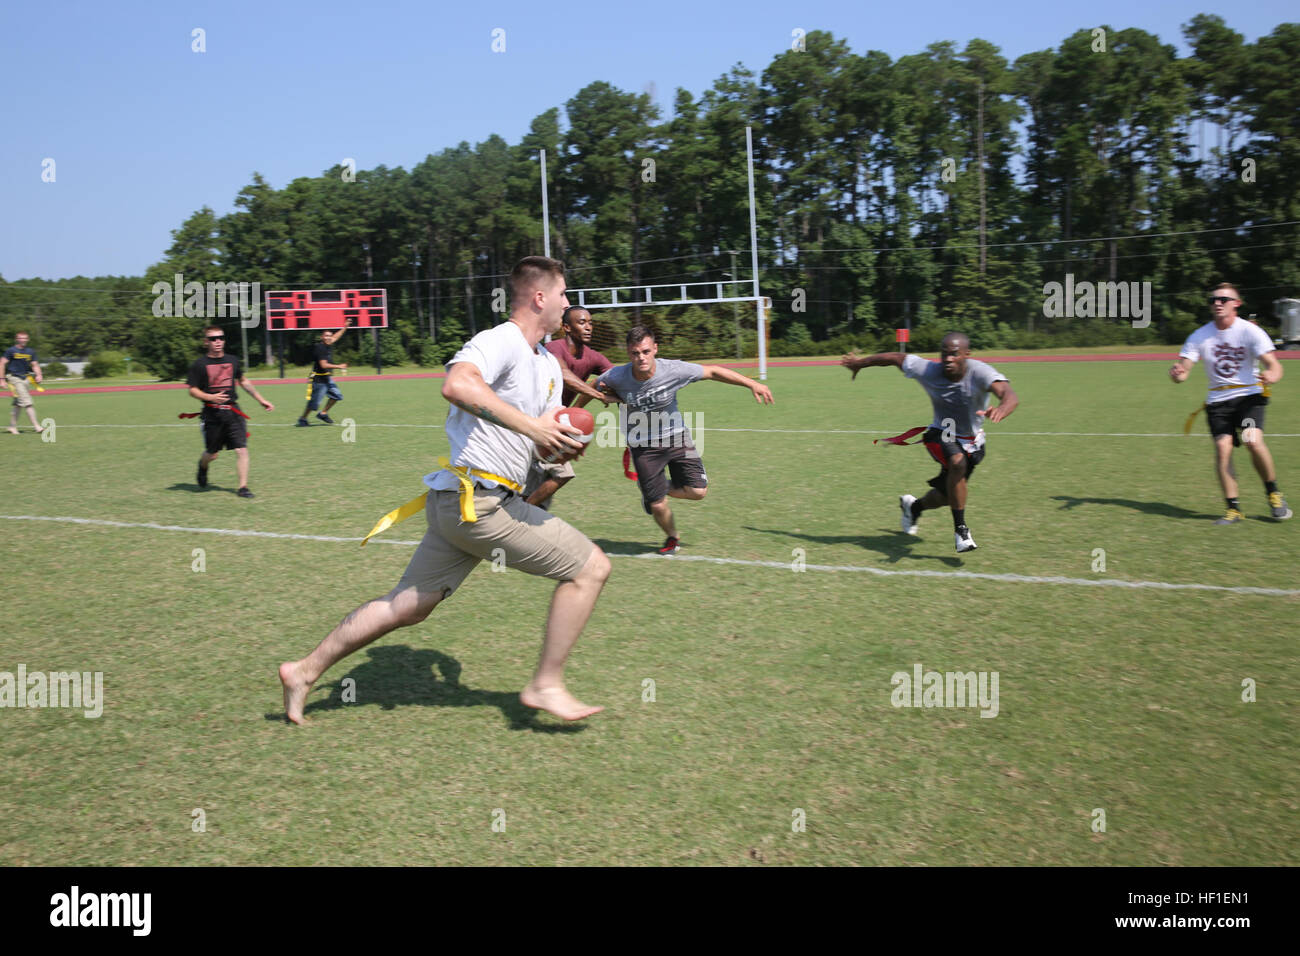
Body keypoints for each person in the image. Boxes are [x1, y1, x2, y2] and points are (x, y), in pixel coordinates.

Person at [278, 256, 611, 725]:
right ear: (540, 297)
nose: (568, 304)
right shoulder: (500, 341)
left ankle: (302, 671)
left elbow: (533, 442)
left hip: (467, 506)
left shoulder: (547, 365)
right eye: (563, 295)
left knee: (408, 605)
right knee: (591, 568)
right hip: (479, 504)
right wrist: (534, 429)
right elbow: (457, 384)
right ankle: (546, 683)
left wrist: (556, 448)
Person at [594, 325, 774, 554]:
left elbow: (713, 372)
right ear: (629, 353)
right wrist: (585, 405)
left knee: (698, 492)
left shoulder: (674, 370)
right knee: (658, 505)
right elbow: (593, 386)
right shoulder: (617, 375)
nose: (641, 358)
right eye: (635, 353)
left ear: (655, 349)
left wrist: (752, 383)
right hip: (643, 446)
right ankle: (672, 537)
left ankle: (654, 490)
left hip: (678, 438)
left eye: (646, 351)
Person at [842, 332, 1018, 553]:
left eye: (954, 355)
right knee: (957, 462)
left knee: (946, 496)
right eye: (944, 354)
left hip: (972, 441)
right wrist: (860, 363)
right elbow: (895, 357)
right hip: (941, 432)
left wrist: (1002, 408)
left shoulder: (980, 372)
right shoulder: (928, 370)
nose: (948, 359)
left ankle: (914, 507)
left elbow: (1009, 394)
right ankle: (961, 531)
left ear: (966, 354)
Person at [1170, 282, 1289, 523]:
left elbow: (1274, 365)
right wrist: (1177, 373)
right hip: (1218, 402)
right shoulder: (1199, 335)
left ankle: (1273, 494)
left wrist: (1272, 376)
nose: (1217, 303)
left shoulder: (1250, 331)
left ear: (1236, 304)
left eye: (1223, 299)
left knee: (1252, 441)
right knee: (1223, 450)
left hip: (1248, 398)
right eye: (1213, 300)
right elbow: (1183, 371)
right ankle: (1233, 510)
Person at [523, 306, 615, 509]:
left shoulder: (593, 356)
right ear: (566, 327)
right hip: (532, 421)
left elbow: (615, 375)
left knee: (537, 485)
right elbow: (563, 374)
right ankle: (520, 514)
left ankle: (524, 514)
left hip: (555, 424)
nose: (589, 327)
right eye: (582, 323)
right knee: (561, 474)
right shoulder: (554, 349)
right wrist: (599, 395)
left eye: (590, 323)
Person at [186, 325, 275, 498]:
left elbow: (243, 381)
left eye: (220, 338)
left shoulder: (232, 360)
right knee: (212, 455)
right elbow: (192, 390)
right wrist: (210, 397)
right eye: (213, 339)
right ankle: (202, 467)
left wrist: (261, 399)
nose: (217, 341)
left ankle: (243, 487)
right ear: (206, 342)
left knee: (242, 449)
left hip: (233, 412)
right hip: (212, 414)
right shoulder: (199, 364)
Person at [297, 327, 349, 426]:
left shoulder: (328, 344)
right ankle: (303, 419)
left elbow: (337, 336)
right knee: (314, 404)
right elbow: (323, 365)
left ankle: (323, 413)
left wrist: (345, 326)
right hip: (319, 380)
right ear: (322, 337)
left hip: (327, 378)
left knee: (336, 396)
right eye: (326, 336)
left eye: (330, 336)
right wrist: (339, 366)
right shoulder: (320, 348)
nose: (329, 338)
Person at [2, 331, 45, 435]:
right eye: (21, 338)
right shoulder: (11, 350)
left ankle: (12, 427)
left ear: (28, 339)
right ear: (16, 339)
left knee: (19, 404)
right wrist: (1, 379)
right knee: (28, 402)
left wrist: (39, 374)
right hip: (14, 378)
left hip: (25, 379)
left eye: (25, 338)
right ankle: (37, 426)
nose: (23, 340)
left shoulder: (30, 351)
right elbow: (2, 363)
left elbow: (35, 365)